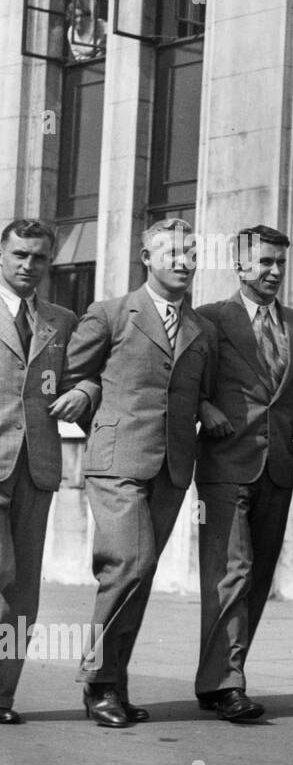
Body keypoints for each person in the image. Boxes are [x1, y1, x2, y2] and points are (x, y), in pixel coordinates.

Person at [51, 218, 218, 727]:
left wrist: (207, 406)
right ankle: (98, 681)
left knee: (139, 577)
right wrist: (88, 393)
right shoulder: (109, 314)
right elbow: (75, 376)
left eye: (190, 252)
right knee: (129, 562)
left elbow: (197, 387)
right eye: (171, 252)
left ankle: (115, 683)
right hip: (117, 459)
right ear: (147, 258)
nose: (183, 261)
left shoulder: (202, 330)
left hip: (171, 466)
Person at [192, 225, 293, 723]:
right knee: (230, 572)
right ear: (239, 265)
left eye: (280, 263)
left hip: (278, 467)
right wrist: (203, 404)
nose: (274, 272)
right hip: (225, 463)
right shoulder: (209, 320)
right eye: (264, 262)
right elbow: (181, 381)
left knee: (256, 578)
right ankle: (228, 683)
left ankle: (215, 678)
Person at [0, 219, 79, 725]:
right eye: (20, 255)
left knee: (22, 591)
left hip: (38, 466)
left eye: (40, 257)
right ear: (2, 255)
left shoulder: (62, 320)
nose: (29, 265)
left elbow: (85, 375)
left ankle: (2, 697)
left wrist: (86, 393)